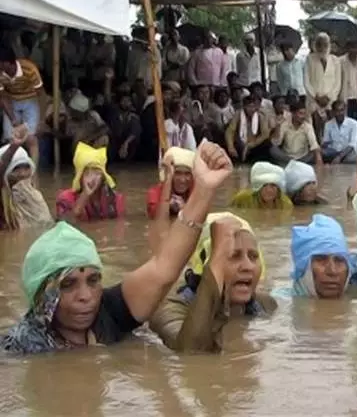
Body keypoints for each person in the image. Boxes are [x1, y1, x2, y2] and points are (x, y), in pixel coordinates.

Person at [1, 141, 233, 354]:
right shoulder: (18, 348)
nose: (86, 296)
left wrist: (204, 188)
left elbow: (165, 267)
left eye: (93, 280)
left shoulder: (109, 313)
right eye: (67, 284)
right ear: (42, 294)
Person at [149, 212, 277, 352]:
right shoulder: (169, 308)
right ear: (207, 263)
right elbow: (191, 354)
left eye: (253, 256)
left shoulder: (265, 305)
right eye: (233, 255)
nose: (248, 266)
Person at [56, 142, 125, 222]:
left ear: (103, 176)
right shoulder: (65, 198)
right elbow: (62, 227)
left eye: (96, 172)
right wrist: (84, 196)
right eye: (87, 173)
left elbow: (119, 226)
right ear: (79, 176)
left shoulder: (115, 199)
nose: (92, 178)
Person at [0, 43, 45, 165]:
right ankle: (10, 169)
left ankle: (33, 171)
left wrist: (41, 120)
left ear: (7, 63)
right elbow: (3, 97)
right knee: (11, 139)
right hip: (11, 101)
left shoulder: (30, 68)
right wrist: (13, 120)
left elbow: (41, 94)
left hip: (31, 100)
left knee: (31, 139)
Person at [0, 125, 52, 229]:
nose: (23, 174)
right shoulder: (4, 204)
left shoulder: (35, 197)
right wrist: (13, 147)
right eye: (16, 169)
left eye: (26, 168)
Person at [289, 214, 351, 298]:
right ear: (303, 267)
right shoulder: (277, 304)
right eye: (321, 259)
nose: (332, 271)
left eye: (339, 260)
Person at [304, 33, 342, 141]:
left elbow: (337, 83)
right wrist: (316, 97)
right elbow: (306, 81)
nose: (322, 48)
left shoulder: (335, 60)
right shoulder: (309, 59)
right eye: (319, 44)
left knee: (331, 131)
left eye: (325, 44)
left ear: (329, 45)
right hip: (314, 101)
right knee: (315, 132)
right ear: (315, 45)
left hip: (330, 102)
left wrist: (329, 97)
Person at [146, 147, 195, 220]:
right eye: (177, 173)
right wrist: (167, 206)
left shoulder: (196, 191)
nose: (182, 180)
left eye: (187, 174)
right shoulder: (154, 193)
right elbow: (155, 218)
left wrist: (184, 208)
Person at [270, 102, 322, 166]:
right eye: (300, 113)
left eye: (304, 113)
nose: (303, 116)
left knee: (315, 152)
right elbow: (276, 143)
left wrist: (319, 161)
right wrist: (277, 127)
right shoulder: (285, 125)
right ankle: (294, 163)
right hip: (287, 158)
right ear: (293, 114)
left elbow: (314, 144)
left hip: (303, 158)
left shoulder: (307, 126)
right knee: (273, 149)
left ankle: (295, 164)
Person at [339, 41, 357, 158]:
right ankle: (348, 155)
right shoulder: (340, 61)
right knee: (348, 128)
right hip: (346, 99)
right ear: (347, 48)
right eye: (352, 48)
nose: (354, 51)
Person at [224, 95, 271, 164]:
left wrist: (250, 145)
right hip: (240, 143)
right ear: (244, 107)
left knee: (266, 144)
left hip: (254, 145)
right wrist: (230, 146)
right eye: (249, 106)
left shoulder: (260, 115)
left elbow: (265, 134)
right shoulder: (238, 114)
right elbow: (230, 131)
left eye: (253, 106)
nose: (252, 109)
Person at [106, 91, 141, 163]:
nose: (125, 103)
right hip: (115, 142)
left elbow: (135, 131)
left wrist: (126, 143)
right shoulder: (114, 112)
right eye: (123, 101)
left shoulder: (133, 115)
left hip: (127, 143)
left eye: (128, 101)